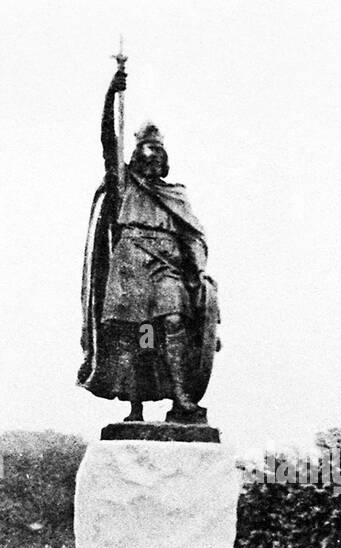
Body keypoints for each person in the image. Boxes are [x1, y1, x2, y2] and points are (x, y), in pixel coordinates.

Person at [79, 62, 221, 425]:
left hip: (166, 269)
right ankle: (136, 407)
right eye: (147, 149)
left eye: (159, 150)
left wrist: (200, 270)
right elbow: (108, 139)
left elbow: (194, 237)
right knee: (140, 337)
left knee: (174, 322)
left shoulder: (176, 195)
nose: (153, 155)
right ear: (137, 154)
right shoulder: (124, 184)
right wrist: (112, 92)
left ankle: (182, 400)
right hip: (131, 268)